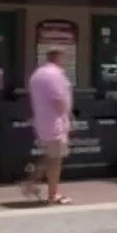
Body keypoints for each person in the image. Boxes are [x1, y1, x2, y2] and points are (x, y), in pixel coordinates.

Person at [27, 48, 74, 205]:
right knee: (55, 160)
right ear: (58, 57)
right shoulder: (55, 75)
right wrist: (68, 116)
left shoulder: (37, 75)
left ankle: (31, 183)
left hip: (42, 121)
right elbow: (58, 100)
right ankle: (52, 194)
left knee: (50, 155)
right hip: (56, 123)